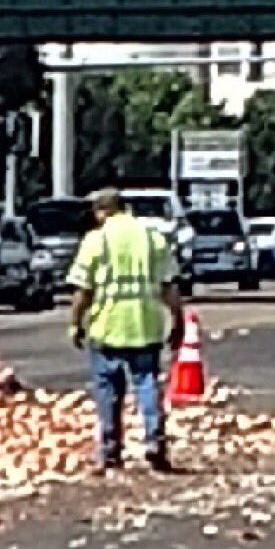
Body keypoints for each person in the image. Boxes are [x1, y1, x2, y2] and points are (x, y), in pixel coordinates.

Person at [67, 186, 185, 472]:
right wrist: (177, 319)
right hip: (145, 325)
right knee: (146, 383)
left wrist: (75, 323)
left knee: (108, 388)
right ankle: (154, 440)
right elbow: (168, 286)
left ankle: (110, 450)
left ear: (102, 211)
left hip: (107, 326)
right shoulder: (152, 238)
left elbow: (83, 290)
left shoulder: (96, 241)